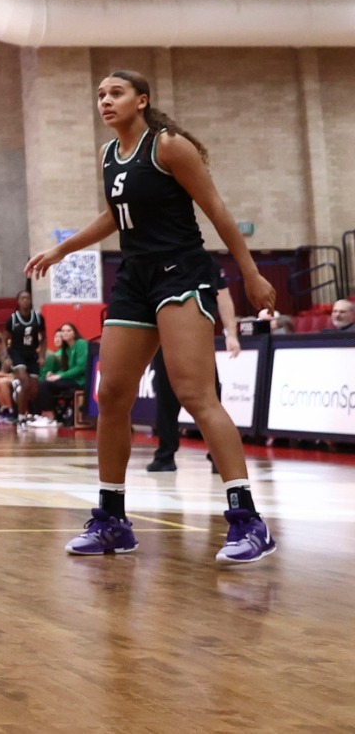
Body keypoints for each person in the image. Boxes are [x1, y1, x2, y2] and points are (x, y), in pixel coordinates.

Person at [26, 68, 277, 565]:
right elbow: (115, 216)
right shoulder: (108, 155)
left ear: (142, 100)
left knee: (195, 394)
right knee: (111, 395)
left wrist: (250, 273)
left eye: (116, 93)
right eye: (100, 94)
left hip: (180, 271)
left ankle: (248, 521)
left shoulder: (169, 146)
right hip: (134, 276)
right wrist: (63, 249)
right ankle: (112, 520)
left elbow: (217, 210)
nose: (105, 100)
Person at [148, 282, 239, 472]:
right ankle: (165, 455)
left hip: (198, 338)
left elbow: (223, 298)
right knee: (166, 399)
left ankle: (219, 456)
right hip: (165, 338)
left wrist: (231, 334)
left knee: (210, 399)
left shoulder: (206, 268)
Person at [29, 323, 90, 427]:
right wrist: (54, 374)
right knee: (39, 384)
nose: (65, 333)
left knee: (44, 385)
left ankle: (50, 416)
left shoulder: (81, 343)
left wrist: (60, 376)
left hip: (79, 381)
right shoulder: (66, 349)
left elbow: (81, 367)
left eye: (68, 330)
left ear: (74, 333)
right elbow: (65, 369)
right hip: (70, 379)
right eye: (63, 331)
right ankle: (38, 414)